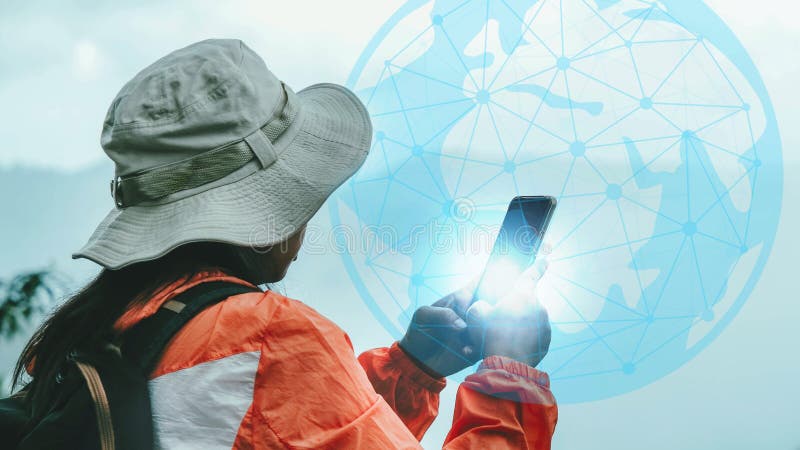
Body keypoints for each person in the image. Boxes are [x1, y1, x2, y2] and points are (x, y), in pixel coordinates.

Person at [12, 39, 557, 449]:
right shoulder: (270, 338)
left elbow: (270, 425)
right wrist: (509, 379)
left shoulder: (113, 322)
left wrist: (411, 371)